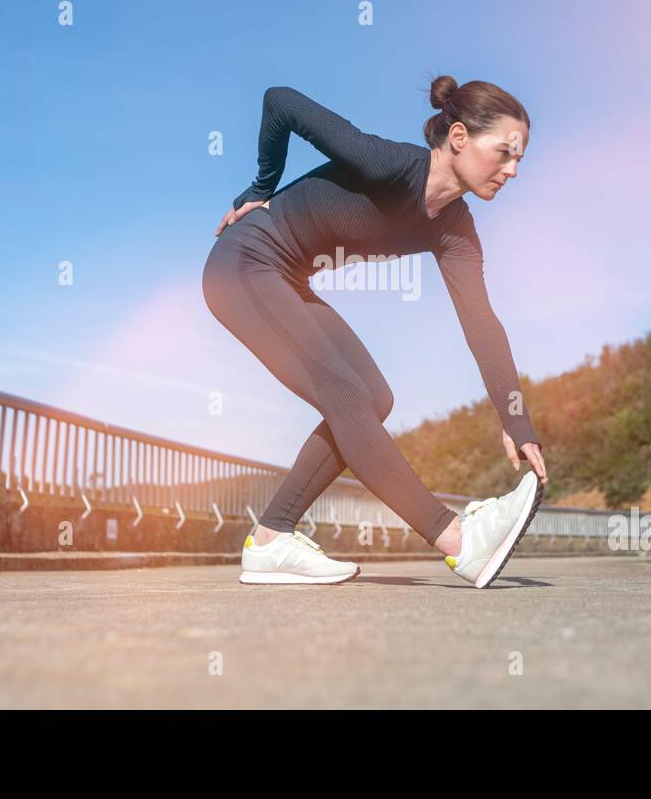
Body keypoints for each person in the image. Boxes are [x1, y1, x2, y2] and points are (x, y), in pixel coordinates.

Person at [201, 76, 548, 588]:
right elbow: (280, 102)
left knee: (374, 398)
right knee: (345, 394)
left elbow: (481, 323)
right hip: (242, 263)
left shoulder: (454, 229)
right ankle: (457, 540)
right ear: (458, 138)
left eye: (519, 158)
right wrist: (259, 190)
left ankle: (273, 536)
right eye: (503, 153)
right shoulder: (387, 163)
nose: (513, 170)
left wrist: (516, 419)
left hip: (287, 278)